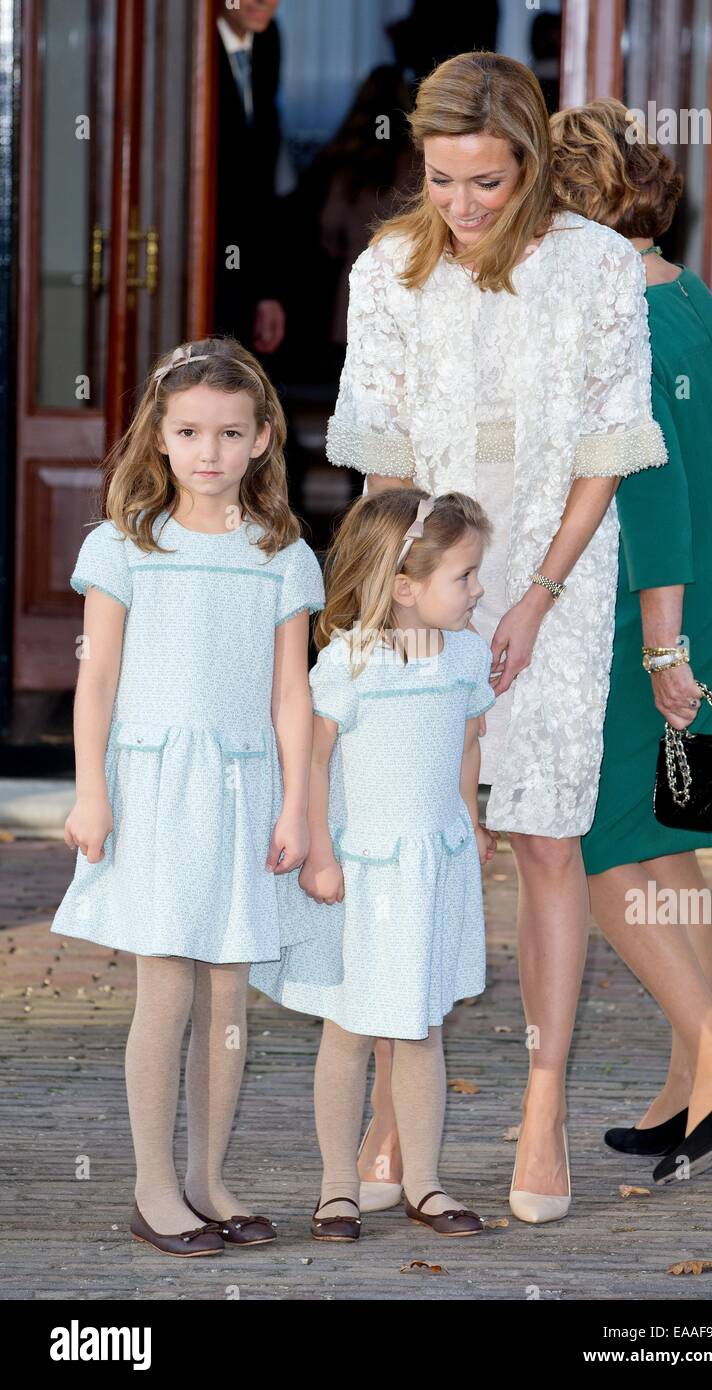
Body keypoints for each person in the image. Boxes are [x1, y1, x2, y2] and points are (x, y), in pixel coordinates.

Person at [324, 52, 669, 1223]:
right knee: (417, 835)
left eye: (487, 181)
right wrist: (418, 602)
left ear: (529, 164)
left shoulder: (599, 264)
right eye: (442, 179)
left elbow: (608, 450)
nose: (462, 204)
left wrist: (533, 599)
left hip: (554, 580)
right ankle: (393, 1099)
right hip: (424, 588)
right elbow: (385, 463)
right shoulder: (390, 268)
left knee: (544, 838)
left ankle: (543, 1099)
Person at [50, 336, 327, 1256]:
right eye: (190, 432)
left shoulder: (281, 554)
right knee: (165, 989)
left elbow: (292, 694)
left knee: (227, 999)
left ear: (261, 439)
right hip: (156, 790)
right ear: (160, 437)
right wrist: (91, 792)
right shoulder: (124, 546)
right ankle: (153, 1187)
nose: (210, 451)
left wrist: (295, 807)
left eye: (230, 433)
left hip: (244, 790)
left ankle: (209, 1178)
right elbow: (96, 680)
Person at [550, 98, 712, 1183]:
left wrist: (660, 645)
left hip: (666, 593)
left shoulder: (616, 316)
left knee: (597, 838)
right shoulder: (683, 292)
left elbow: (652, 485)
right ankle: (692, 1086)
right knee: (670, 828)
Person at [249, 489, 497, 1239]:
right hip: (365, 871)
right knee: (350, 1027)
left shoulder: (466, 656)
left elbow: (467, 744)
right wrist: (320, 854)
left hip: (432, 866)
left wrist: (471, 820)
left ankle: (424, 1182)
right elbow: (315, 761)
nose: (478, 589)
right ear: (405, 587)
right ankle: (338, 1185)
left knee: (420, 1029)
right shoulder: (351, 662)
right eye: (465, 576)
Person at [213, 0, 287, 355]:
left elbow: (259, 183)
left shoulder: (269, 38)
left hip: (246, 261)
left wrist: (267, 291)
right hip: (196, 258)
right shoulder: (193, 39)